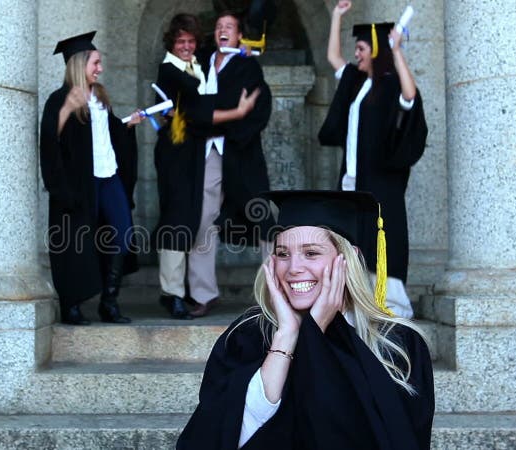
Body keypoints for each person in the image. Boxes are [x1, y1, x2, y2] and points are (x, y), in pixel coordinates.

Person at [177, 190, 434, 449]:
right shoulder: (248, 335)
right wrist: (287, 334)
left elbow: (393, 436)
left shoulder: (397, 343)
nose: (293, 268)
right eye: (283, 253)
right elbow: (220, 436)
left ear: (349, 257)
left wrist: (313, 332)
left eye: (311, 253)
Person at [318, 1, 428, 319]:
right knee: (355, 243)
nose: (357, 54)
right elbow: (333, 58)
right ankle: (358, 305)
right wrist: (338, 16)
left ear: (375, 51)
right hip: (353, 178)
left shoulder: (391, 83)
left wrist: (397, 52)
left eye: (362, 48)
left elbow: (411, 98)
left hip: (380, 180)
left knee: (383, 240)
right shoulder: (356, 82)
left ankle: (390, 306)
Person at [153, 13, 261, 320]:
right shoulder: (175, 68)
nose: (187, 46)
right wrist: (237, 112)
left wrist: (244, 51)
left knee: (257, 216)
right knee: (188, 217)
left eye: (190, 41)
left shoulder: (215, 62)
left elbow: (249, 91)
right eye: (180, 42)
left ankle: (268, 292)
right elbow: (197, 111)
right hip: (185, 154)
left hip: (219, 152)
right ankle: (186, 293)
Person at [39, 31, 144, 325]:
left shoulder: (99, 97)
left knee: (122, 233)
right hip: (81, 184)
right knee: (76, 242)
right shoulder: (60, 99)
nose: (100, 68)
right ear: (79, 63)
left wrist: (128, 125)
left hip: (109, 178)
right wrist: (67, 111)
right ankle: (72, 304)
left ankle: (109, 302)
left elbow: (109, 135)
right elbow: (49, 141)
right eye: (95, 63)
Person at [185, 9, 274, 318]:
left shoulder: (248, 66)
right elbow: (194, 106)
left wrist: (218, 120)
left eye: (229, 27)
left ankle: (271, 293)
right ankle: (203, 293)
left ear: (239, 35)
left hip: (240, 151)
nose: (223, 30)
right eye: (219, 26)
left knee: (263, 218)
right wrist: (219, 114)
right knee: (202, 219)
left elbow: (257, 108)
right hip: (206, 152)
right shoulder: (200, 62)